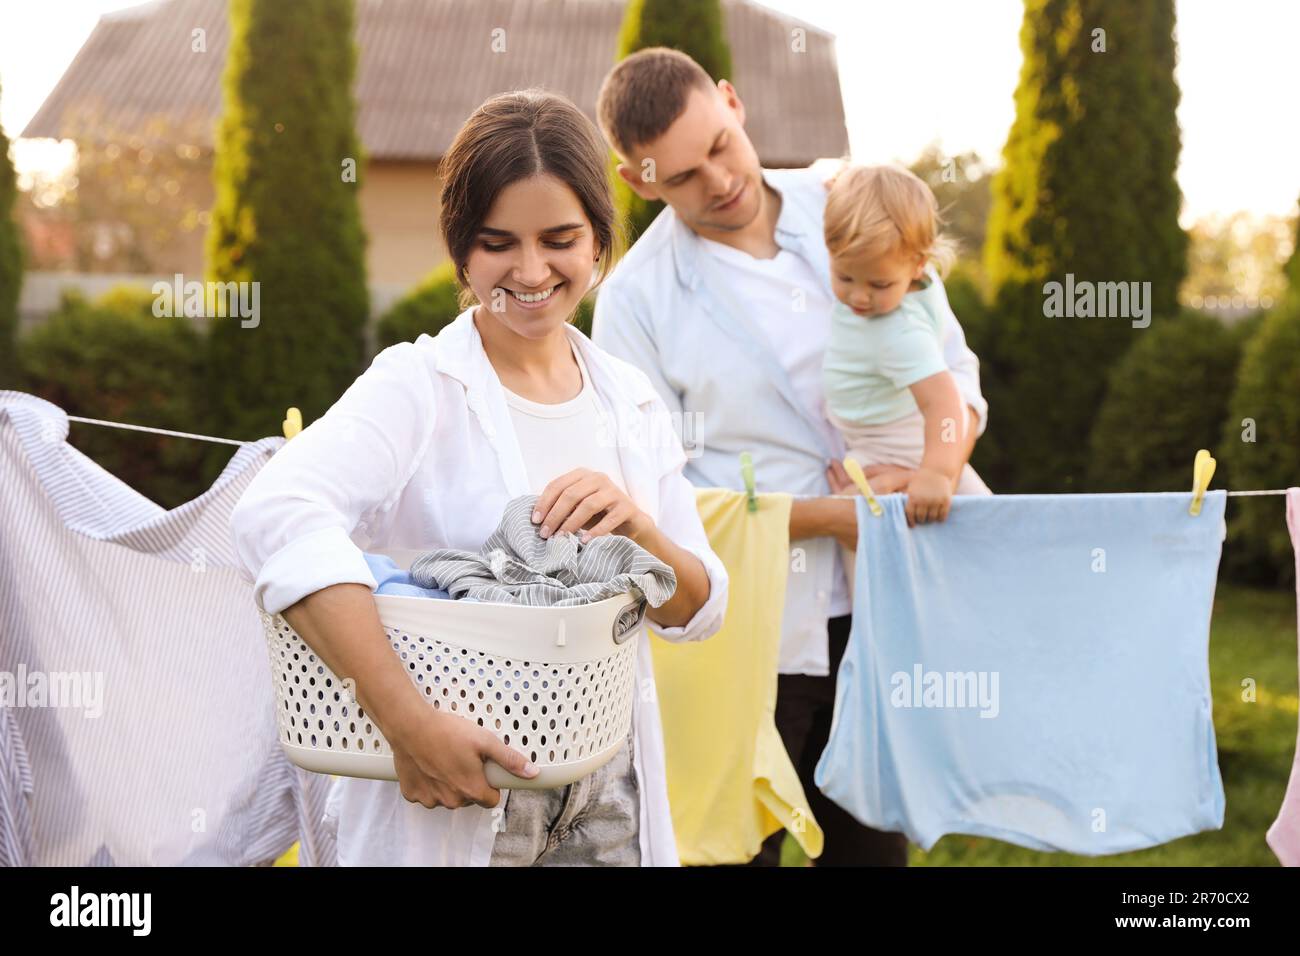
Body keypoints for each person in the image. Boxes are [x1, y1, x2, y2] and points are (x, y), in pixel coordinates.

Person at [229, 88, 729, 867]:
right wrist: (408, 725)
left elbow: (697, 610)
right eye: (499, 243)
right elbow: (275, 512)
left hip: (606, 799)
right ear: (462, 251)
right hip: (458, 797)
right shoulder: (417, 386)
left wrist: (639, 530)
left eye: (560, 238)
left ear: (599, 240)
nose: (531, 271)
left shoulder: (630, 399)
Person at [591, 48, 989, 866]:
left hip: (884, 608)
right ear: (639, 182)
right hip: (755, 630)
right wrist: (835, 518)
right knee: (739, 849)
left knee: (871, 850)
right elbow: (661, 497)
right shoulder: (635, 303)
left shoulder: (853, 205)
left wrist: (930, 476)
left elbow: (952, 375)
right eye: (683, 176)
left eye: (720, 147)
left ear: (733, 102)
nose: (719, 181)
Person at [821, 163, 992, 533]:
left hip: (890, 450)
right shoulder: (911, 271)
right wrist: (845, 193)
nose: (859, 296)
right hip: (896, 435)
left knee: (868, 551)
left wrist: (937, 473)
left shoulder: (898, 333)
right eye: (844, 276)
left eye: (879, 285)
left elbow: (946, 404)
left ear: (918, 264)